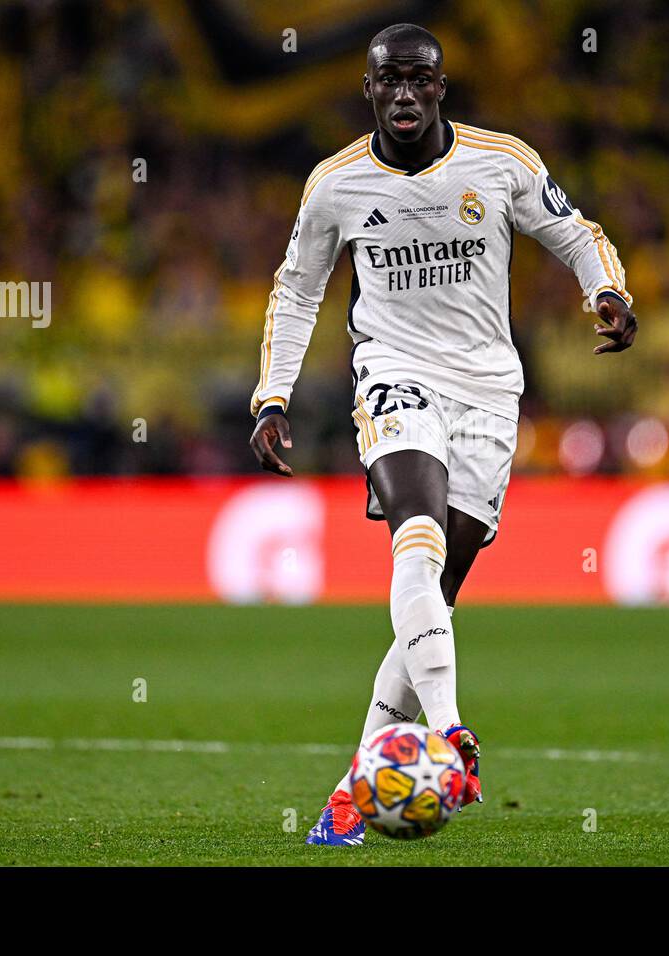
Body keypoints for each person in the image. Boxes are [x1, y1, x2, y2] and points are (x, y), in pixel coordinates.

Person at [248, 23, 637, 845]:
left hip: (489, 394)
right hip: (393, 372)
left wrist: (605, 290)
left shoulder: (501, 162)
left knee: (438, 594)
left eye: (418, 79)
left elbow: (576, 233)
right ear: (368, 91)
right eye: (388, 80)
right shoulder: (337, 185)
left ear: (440, 87)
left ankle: (356, 789)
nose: (402, 94)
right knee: (415, 537)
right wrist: (272, 395)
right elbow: (295, 290)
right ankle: (452, 732)